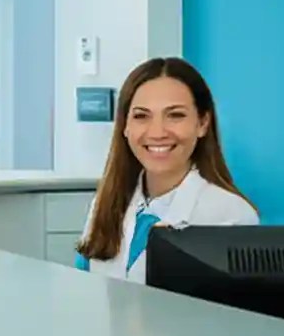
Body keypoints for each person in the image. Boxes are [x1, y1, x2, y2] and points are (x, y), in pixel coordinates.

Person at [75, 57, 258, 283]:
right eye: (141, 116)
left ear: (202, 123)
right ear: (125, 126)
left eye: (175, 115)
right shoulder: (104, 204)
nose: (158, 132)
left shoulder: (232, 215)